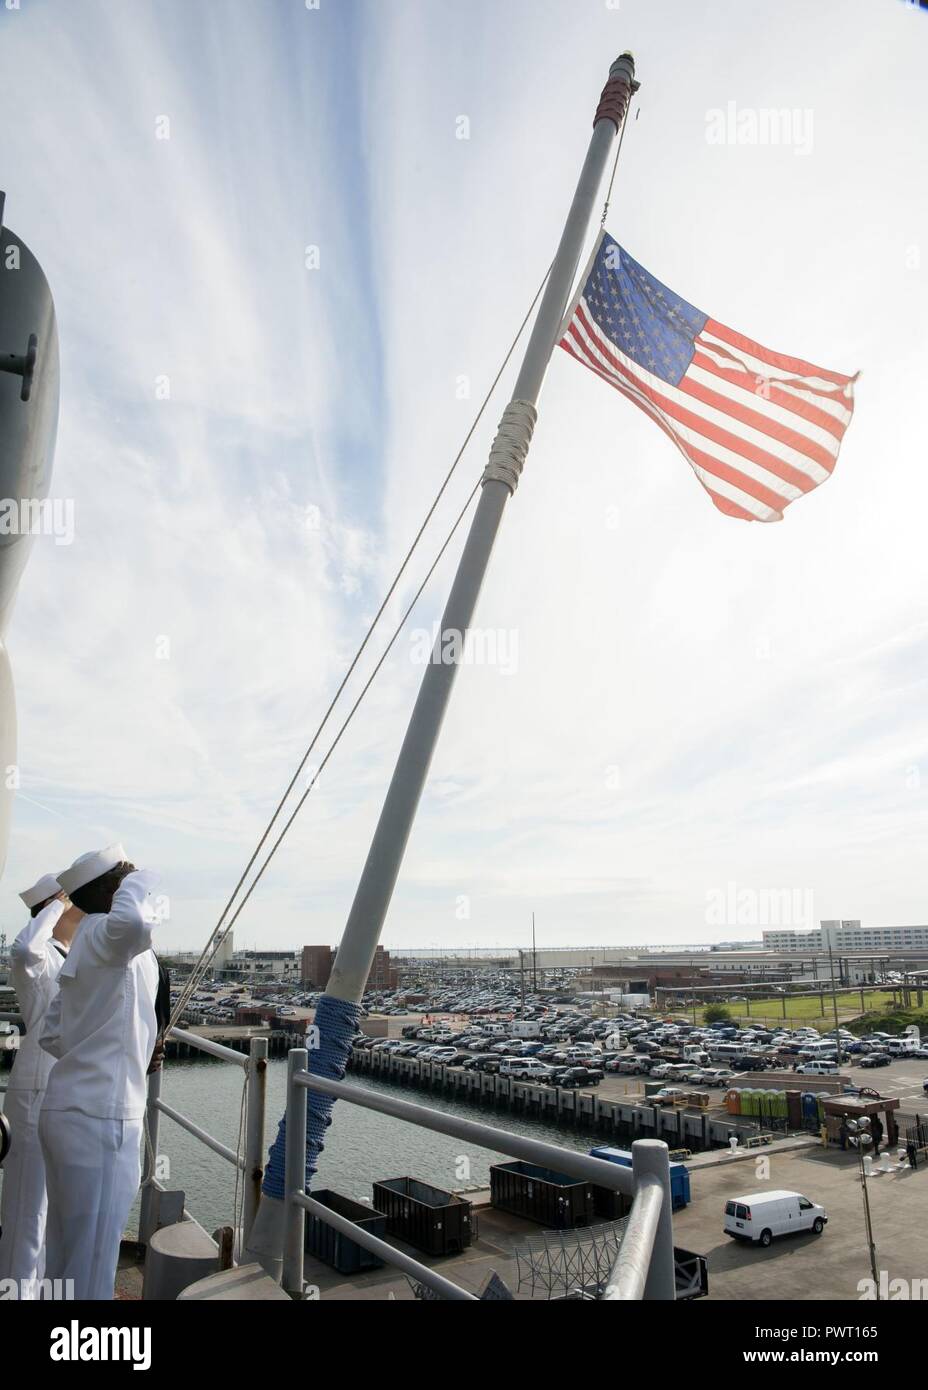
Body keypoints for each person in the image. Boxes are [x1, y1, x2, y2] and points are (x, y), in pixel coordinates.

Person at [38, 845, 160, 1301]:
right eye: (125, 879)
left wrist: (120, 1044)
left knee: (65, 1253)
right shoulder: (108, 934)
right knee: (90, 1264)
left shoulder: (88, 941)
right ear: (114, 890)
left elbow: (53, 1034)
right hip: (101, 1118)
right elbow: (133, 923)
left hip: (69, 1108)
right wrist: (143, 876)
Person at [0, 874, 82, 1296]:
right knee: (26, 1210)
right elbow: (23, 946)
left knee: (52, 1212)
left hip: (65, 1094)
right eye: (75, 903)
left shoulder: (71, 955)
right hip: (33, 1092)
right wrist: (57, 904)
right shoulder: (40, 957)